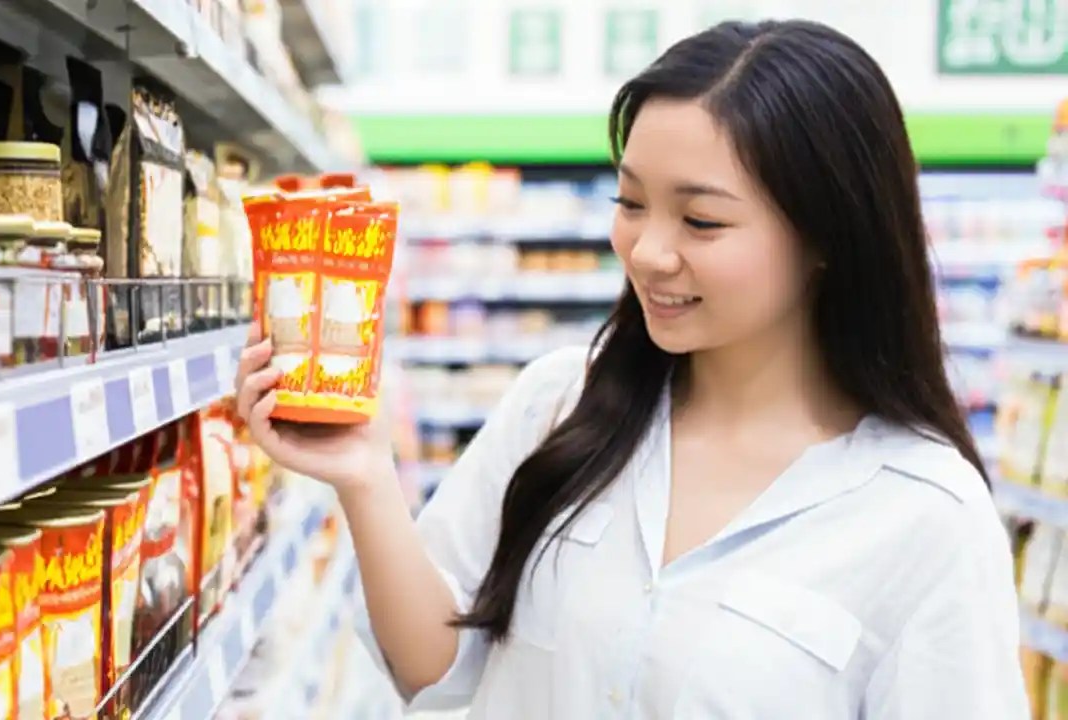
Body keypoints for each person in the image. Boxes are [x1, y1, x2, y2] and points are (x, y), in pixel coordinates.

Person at [234, 19, 1028, 720]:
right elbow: (433, 669)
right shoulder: (559, 402)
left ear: (829, 236)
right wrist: (365, 478)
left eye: (702, 220)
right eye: (630, 201)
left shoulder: (928, 519)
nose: (647, 252)